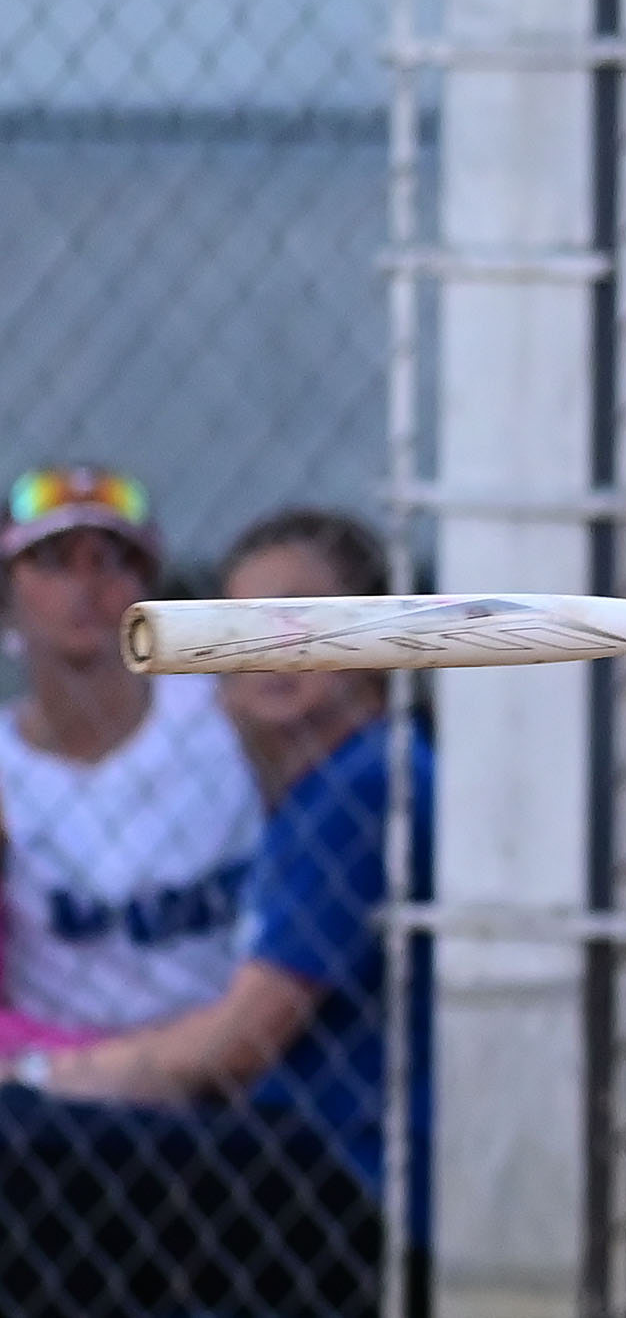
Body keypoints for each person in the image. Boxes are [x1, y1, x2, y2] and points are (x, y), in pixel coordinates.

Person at [0, 507, 432, 1316]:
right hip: (280, 1148)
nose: (269, 644)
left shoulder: (368, 784)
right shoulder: (321, 782)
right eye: (241, 623)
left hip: (352, 1172)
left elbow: (240, 1042)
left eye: (302, 615)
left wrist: (35, 1078)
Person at [0, 464, 262, 1046]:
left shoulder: (227, 718)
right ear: (8, 597)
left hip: (228, 1069)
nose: (85, 586)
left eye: (113, 560)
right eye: (52, 562)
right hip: (51, 1091)